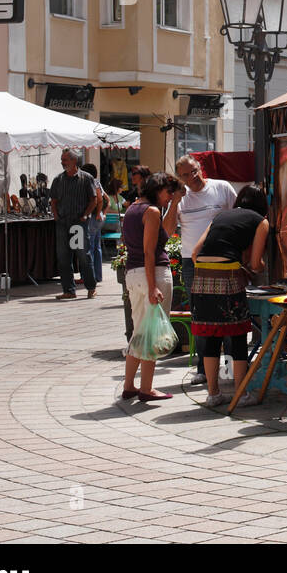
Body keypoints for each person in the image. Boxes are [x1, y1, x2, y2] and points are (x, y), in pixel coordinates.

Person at [189, 185, 269, 408]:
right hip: (228, 278)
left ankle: (213, 394)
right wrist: (257, 268)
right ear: (263, 205)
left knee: (211, 334)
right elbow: (255, 264)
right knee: (237, 335)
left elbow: (195, 254)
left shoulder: (221, 216)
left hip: (201, 276)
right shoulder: (261, 221)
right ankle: (241, 394)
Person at [175, 155, 237, 382]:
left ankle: (231, 367)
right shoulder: (181, 199)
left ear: (200, 168)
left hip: (223, 259)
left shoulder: (222, 188)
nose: (192, 177)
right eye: (185, 174)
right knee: (200, 316)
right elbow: (168, 228)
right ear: (179, 177)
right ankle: (203, 368)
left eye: (193, 170)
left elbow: (236, 217)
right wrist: (174, 201)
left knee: (230, 313)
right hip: (192, 262)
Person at [121, 171, 181, 402]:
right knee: (152, 334)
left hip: (133, 274)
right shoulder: (152, 211)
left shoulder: (133, 209)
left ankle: (129, 386)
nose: (170, 196)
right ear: (158, 189)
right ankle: (146, 389)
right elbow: (150, 251)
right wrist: (153, 285)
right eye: (169, 192)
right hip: (152, 273)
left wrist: (174, 203)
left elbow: (162, 235)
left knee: (140, 332)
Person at [50, 151, 100, 301]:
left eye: (65, 160)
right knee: (63, 257)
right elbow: (53, 200)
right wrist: (56, 216)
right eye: (61, 160)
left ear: (74, 161)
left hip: (78, 222)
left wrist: (86, 215)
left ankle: (91, 287)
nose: (62, 162)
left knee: (83, 256)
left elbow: (93, 199)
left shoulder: (86, 178)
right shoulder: (58, 179)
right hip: (63, 223)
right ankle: (69, 290)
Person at [81, 162, 109, 287]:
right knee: (96, 247)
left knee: (90, 247)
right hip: (98, 218)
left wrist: (98, 213)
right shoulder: (98, 182)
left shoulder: (91, 181)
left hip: (92, 217)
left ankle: (90, 276)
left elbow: (100, 198)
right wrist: (103, 212)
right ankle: (97, 275)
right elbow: (107, 199)